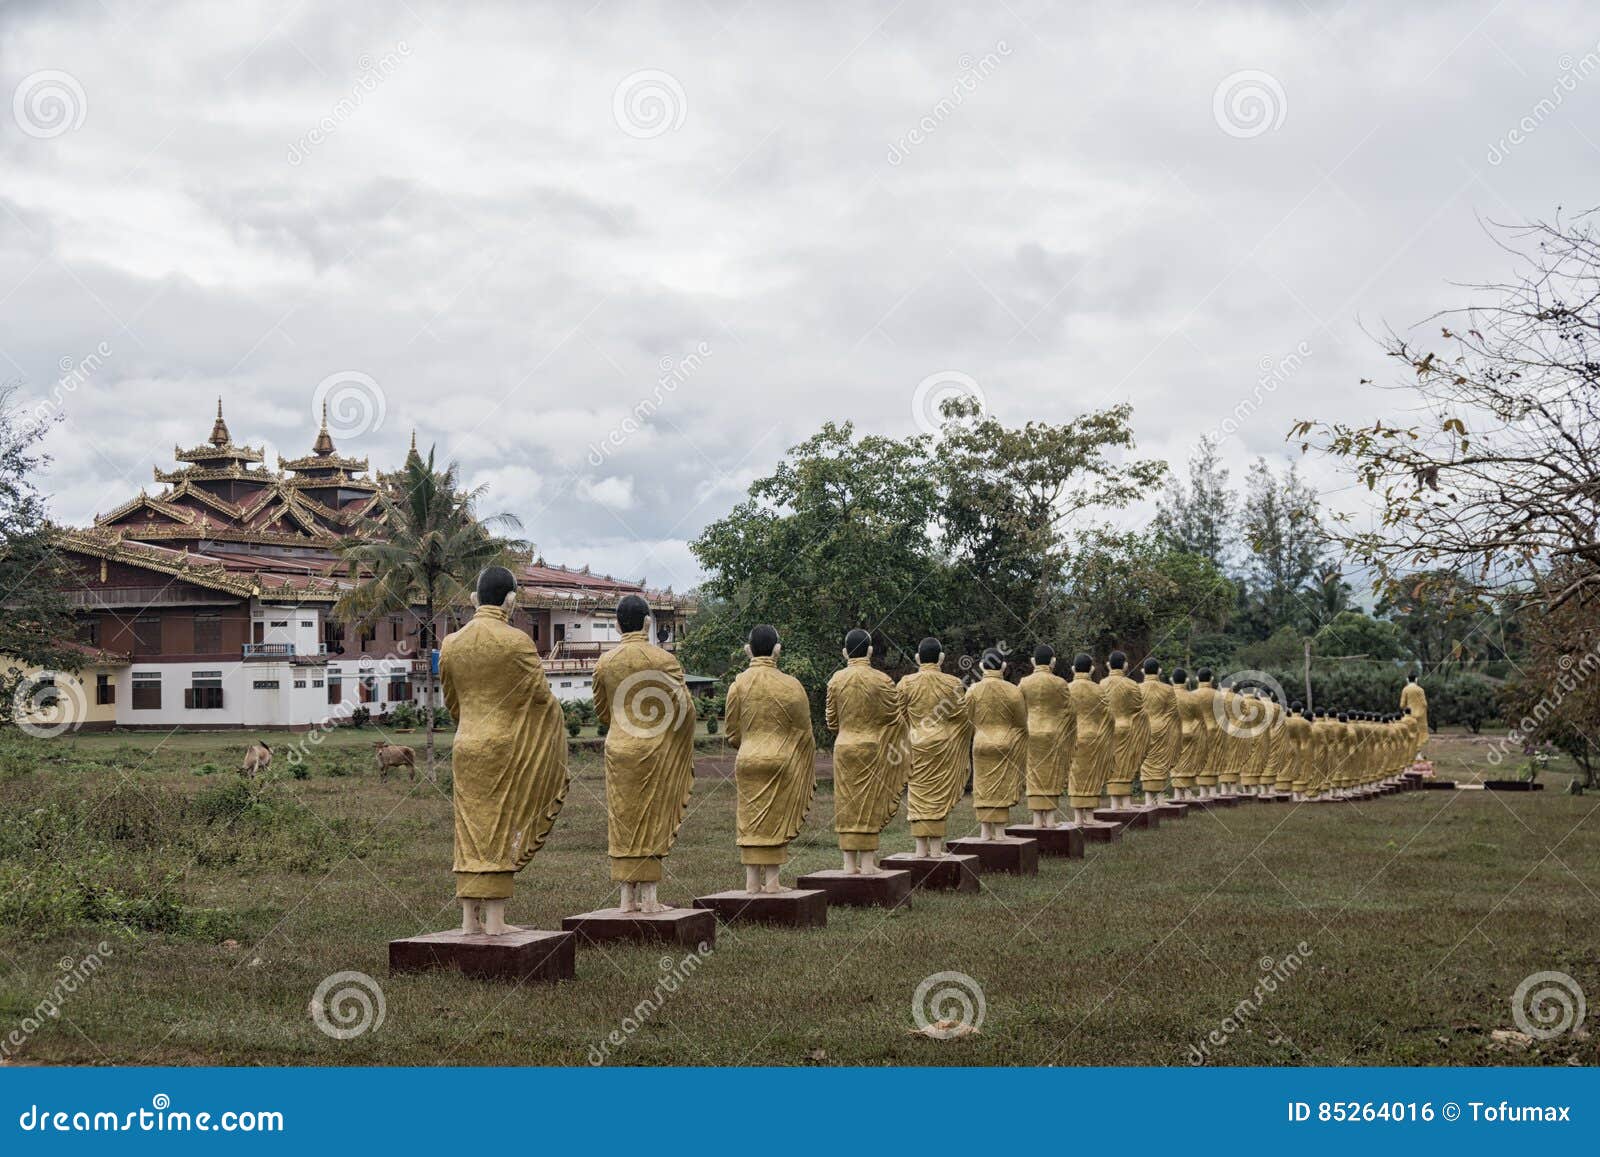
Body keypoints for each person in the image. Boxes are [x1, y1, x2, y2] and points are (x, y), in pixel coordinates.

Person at [440, 565, 569, 935]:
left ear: (473, 599)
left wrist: (473, 723)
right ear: (511, 600)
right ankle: (495, 920)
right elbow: (542, 699)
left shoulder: (451, 644)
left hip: (465, 744)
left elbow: (453, 702)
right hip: (503, 746)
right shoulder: (517, 642)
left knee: (467, 827)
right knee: (498, 826)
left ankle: (469, 920)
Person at [593, 594, 697, 913]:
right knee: (651, 818)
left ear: (616, 625)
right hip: (654, 749)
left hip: (618, 749)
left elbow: (602, 712)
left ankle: (626, 899)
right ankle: (650, 898)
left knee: (622, 819)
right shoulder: (663, 660)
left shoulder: (605, 663)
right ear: (648, 623)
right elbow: (684, 710)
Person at [724, 625, 815, 894]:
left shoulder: (738, 684)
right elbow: (803, 731)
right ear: (778, 650)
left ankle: (752, 882)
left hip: (748, 758)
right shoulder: (791, 685)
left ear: (747, 650)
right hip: (781, 759)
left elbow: (731, 731)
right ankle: (773, 881)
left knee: (750, 819)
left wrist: (750, 744)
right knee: (776, 818)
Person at [825, 628, 910, 873]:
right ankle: (867, 862)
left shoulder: (836, 680)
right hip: (872, 746)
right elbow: (894, 717)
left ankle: (848, 863)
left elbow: (831, 722)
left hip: (844, 746)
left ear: (844, 652)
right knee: (869, 802)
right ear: (870, 651)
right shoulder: (882, 680)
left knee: (846, 803)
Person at [899, 637, 970, 857]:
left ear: (918, 658)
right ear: (941, 658)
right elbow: (963, 717)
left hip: (916, 742)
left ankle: (921, 849)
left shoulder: (906, 683)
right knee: (938, 795)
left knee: (918, 792)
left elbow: (897, 717)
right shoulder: (953, 683)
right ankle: (936, 848)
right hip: (943, 745)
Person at [966, 648, 1028, 838]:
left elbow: (966, 719)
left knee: (982, 785)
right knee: (1002, 785)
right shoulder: (1013, 690)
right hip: (1005, 742)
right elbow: (1021, 722)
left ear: (981, 666)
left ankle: (985, 831)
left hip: (980, 743)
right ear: (1003, 666)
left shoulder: (973, 690)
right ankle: (1000, 832)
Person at [1018, 645, 1073, 827]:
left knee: (1033, 773)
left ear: (1033, 661)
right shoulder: (1060, 683)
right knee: (1051, 772)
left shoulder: (1024, 683)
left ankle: (1036, 819)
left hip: (1030, 731)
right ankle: (1049, 819)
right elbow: (1069, 711)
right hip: (1053, 732)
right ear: (1053, 661)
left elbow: (1018, 709)